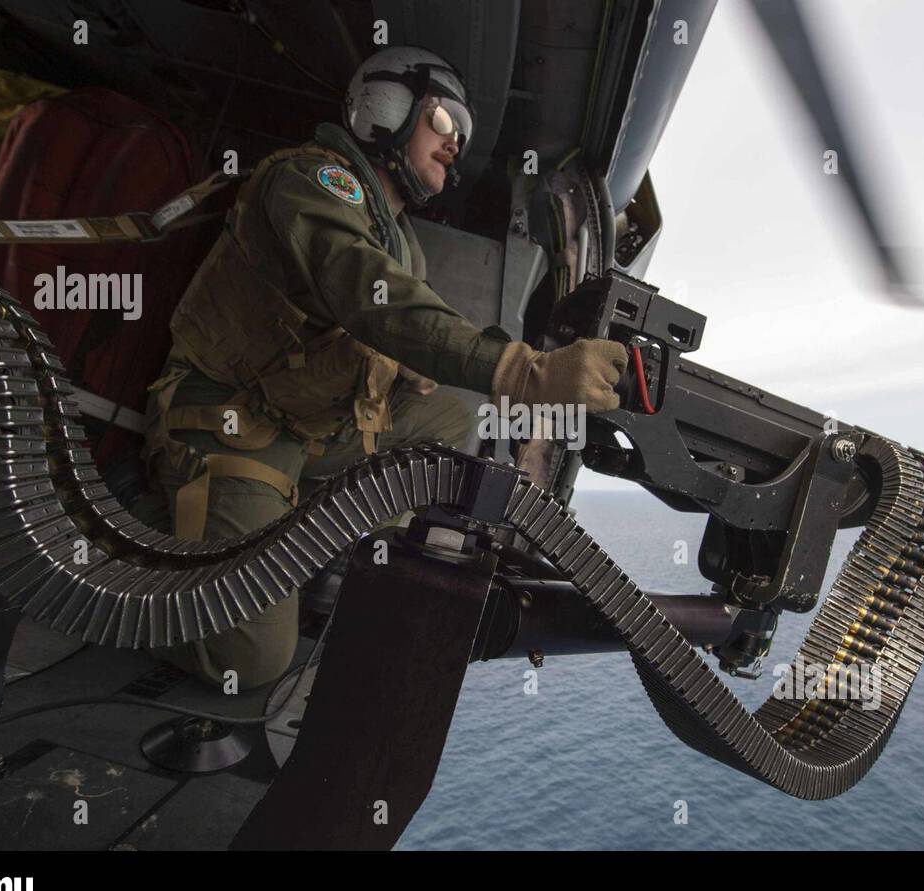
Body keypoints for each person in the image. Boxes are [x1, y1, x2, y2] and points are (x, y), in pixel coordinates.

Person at [143, 46, 625, 688]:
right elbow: (374, 299)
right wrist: (523, 372)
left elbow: (381, 328)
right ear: (386, 107)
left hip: (309, 430)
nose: (456, 145)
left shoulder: (401, 240)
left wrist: (401, 375)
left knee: (444, 420)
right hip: (231, 421)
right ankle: (133, 564)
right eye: (446, 121)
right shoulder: (312, 181)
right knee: (250, 662)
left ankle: (342, 558)